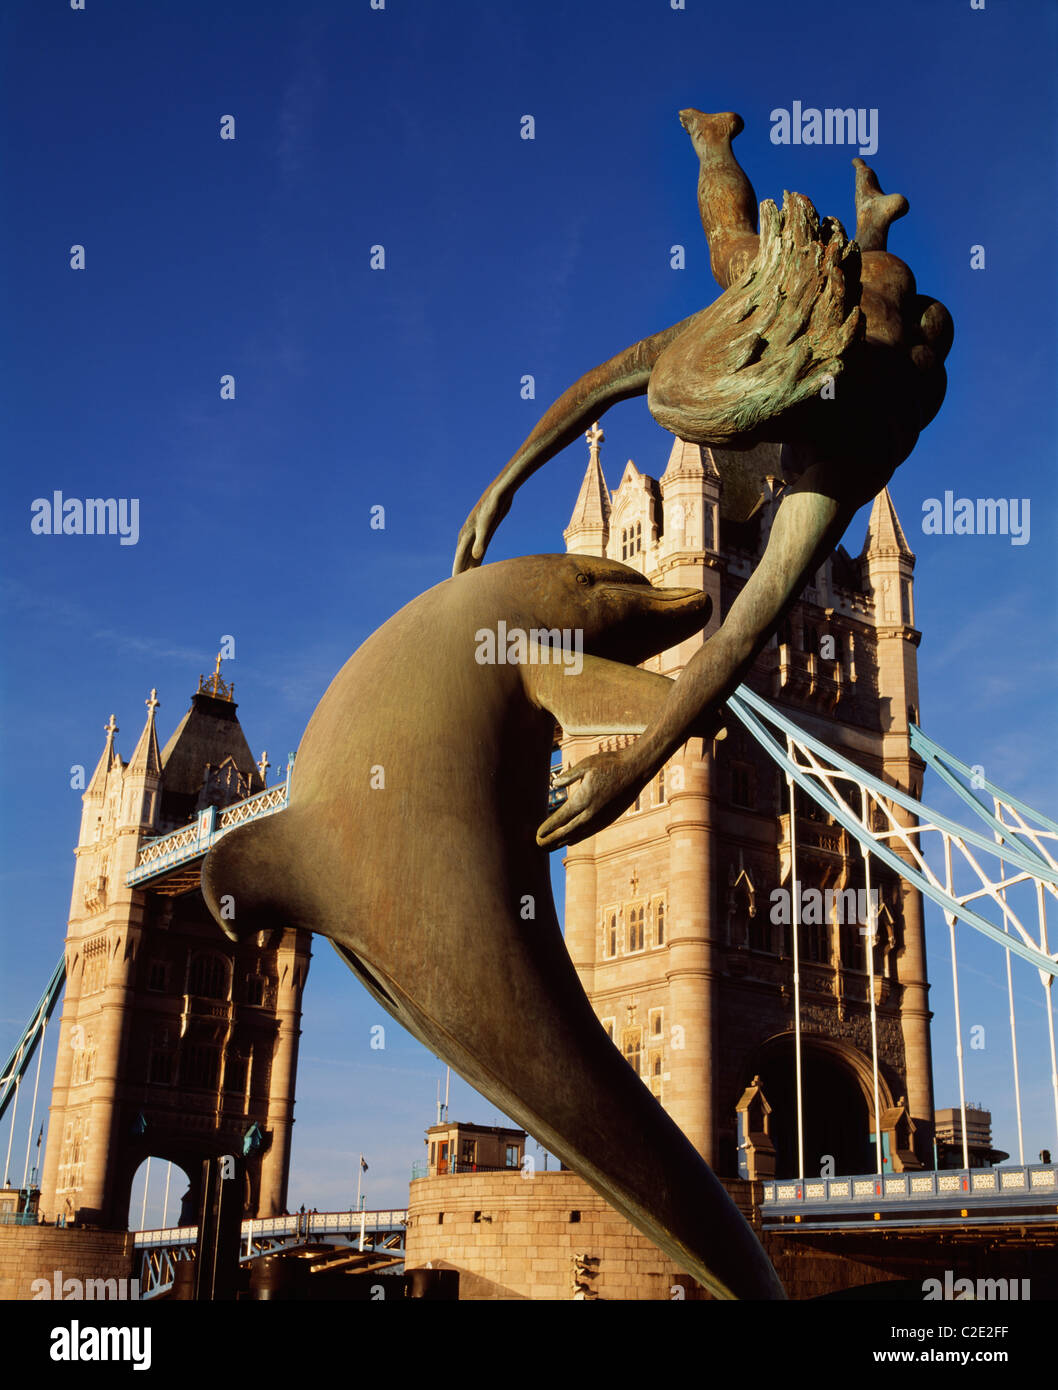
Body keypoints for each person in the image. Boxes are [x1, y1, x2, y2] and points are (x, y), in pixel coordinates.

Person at [453, 110, 952, 847]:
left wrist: (636, 762)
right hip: (817, 305)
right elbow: (599, 384)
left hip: (904, 366)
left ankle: (738, 156)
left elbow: (733, 641)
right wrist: (506, 482)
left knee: (855, 280)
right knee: (735, 250)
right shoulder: (750, 302)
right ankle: (841, 212)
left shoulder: (836, 471)